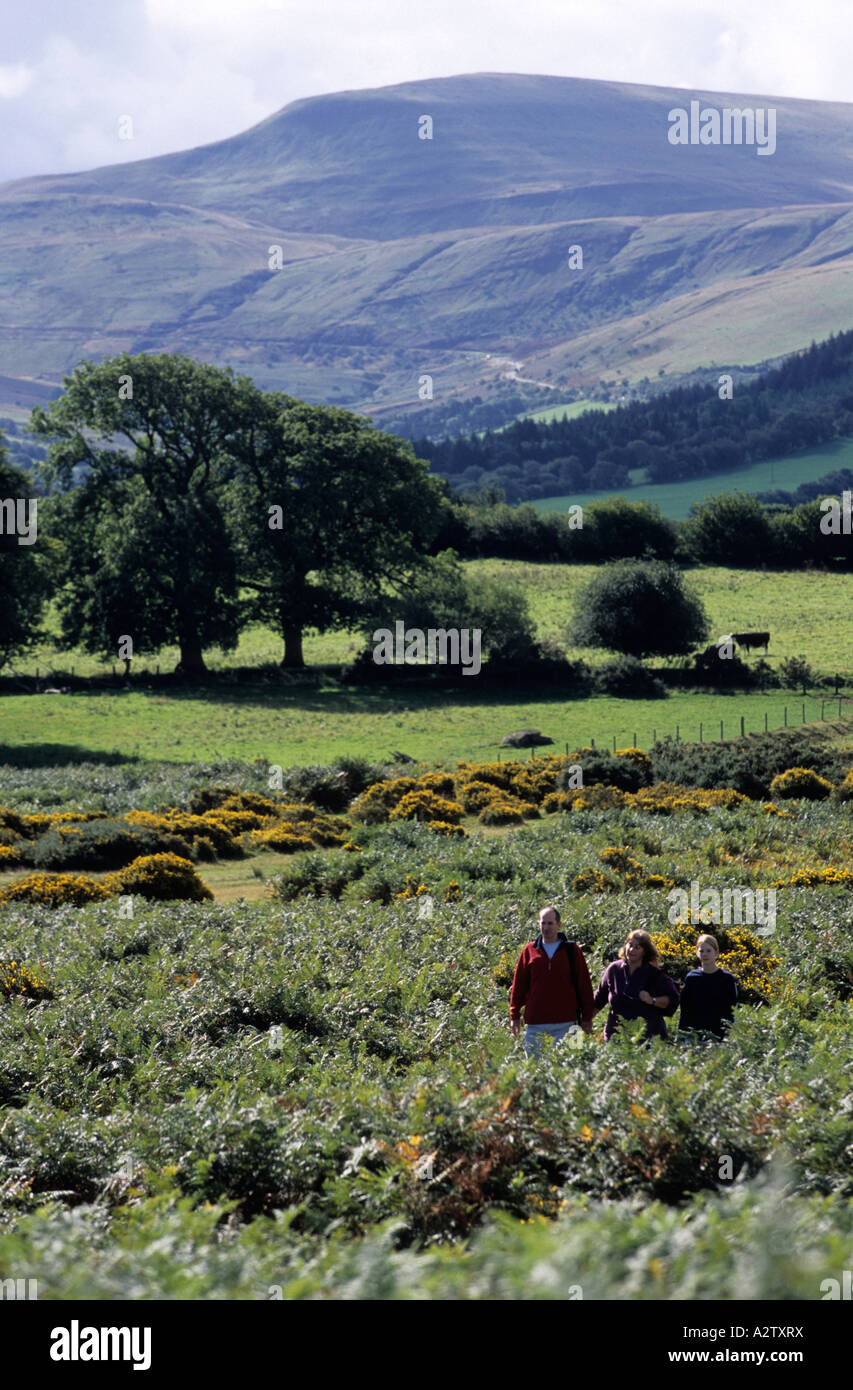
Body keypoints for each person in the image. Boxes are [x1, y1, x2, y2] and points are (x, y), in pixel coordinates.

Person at [509, 905, 595, 1058]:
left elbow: (584, 985)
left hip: (568, 1023)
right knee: (534, 1070)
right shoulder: (529, 951)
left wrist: (587, 1018)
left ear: (558, 925)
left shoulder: (572, 950)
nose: (546, 927)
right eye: (543, 923)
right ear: (538, 924)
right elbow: (519, 985)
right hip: (535, 1024)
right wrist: (514, 1016)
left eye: (550, 923)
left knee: (570, 1069)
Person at [593, 929, 679, 1042]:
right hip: (616, 1037)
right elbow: (599, 998)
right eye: (630, 945)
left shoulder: (655, 974)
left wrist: (652, 1000)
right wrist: (584, 1021)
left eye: (637, 947)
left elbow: (673, 999)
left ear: (645, 952)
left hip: (649, 1040)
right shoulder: (614, 970)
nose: (632, 949)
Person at [678, 933, 738, 1040]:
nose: (705, 954)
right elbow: (685, 1011)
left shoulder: (727, 979)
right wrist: (682, 1036)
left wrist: (730, 1036)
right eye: (701, 951)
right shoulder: (691, 978)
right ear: (697, 953)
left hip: (720, 1037)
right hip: (695, 1038)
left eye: (708, 951)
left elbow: (732, 1011)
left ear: (716, 952)